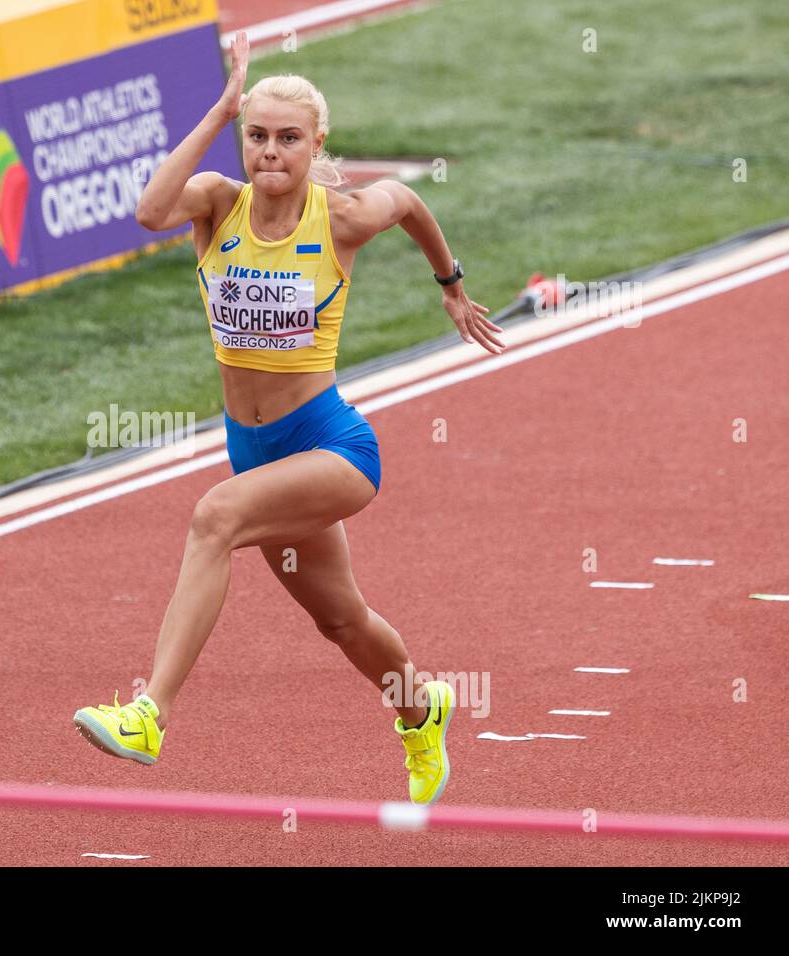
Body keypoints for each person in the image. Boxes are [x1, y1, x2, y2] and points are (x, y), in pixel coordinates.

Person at [72, 31, 505, 805]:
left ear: (316, 145)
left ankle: (150, 715)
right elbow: (148, 211)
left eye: (289, 139)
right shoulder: (216, 203)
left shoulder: (338, 219)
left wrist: (451, 283)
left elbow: (405, 201)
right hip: (257, 452)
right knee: (341, 622)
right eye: (258, 136)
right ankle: (422, 707)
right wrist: (218, 110)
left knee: (214, 519)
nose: (271, 152)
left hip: (333, 446)